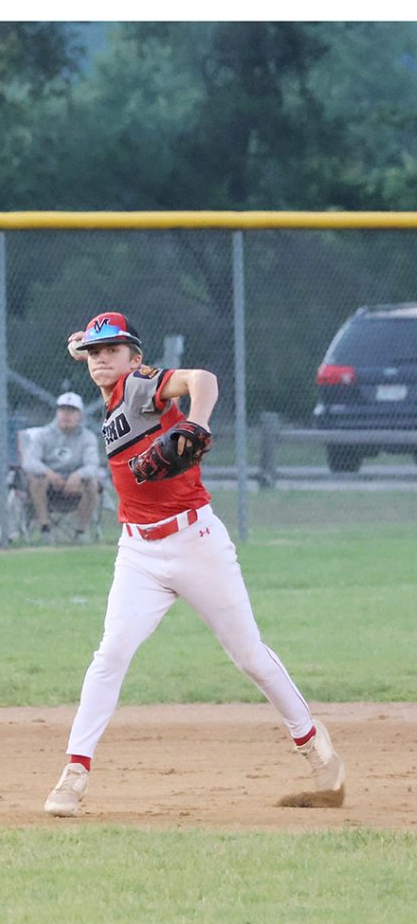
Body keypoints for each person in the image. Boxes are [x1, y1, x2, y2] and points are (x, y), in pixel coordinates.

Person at [44, 311, 345, 818]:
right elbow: (92, 355)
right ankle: (75, 773)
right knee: (110, 653)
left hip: (196, 541)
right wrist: (84, 346)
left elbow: (202, 380)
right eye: (95, 352)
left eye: (112, 350)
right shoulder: (110, 385)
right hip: (138, 552)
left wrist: (196, 420)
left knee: (248, 655)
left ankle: (315, 746)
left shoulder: (140, 383)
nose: (101, 358)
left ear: (135, 358)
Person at [22, 391, 102, 543]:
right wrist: (49, 473)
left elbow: (93, 465)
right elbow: (29, 461)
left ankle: (80, 532)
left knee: (92, 484)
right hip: (48, 486)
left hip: (75, 487)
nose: (66, 415)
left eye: (72, 411)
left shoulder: (88, 437)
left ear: (80, 415)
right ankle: (45, 530)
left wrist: (78, 475)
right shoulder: (42, 435)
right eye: (62, 410)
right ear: (57, 412)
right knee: (37, 480)